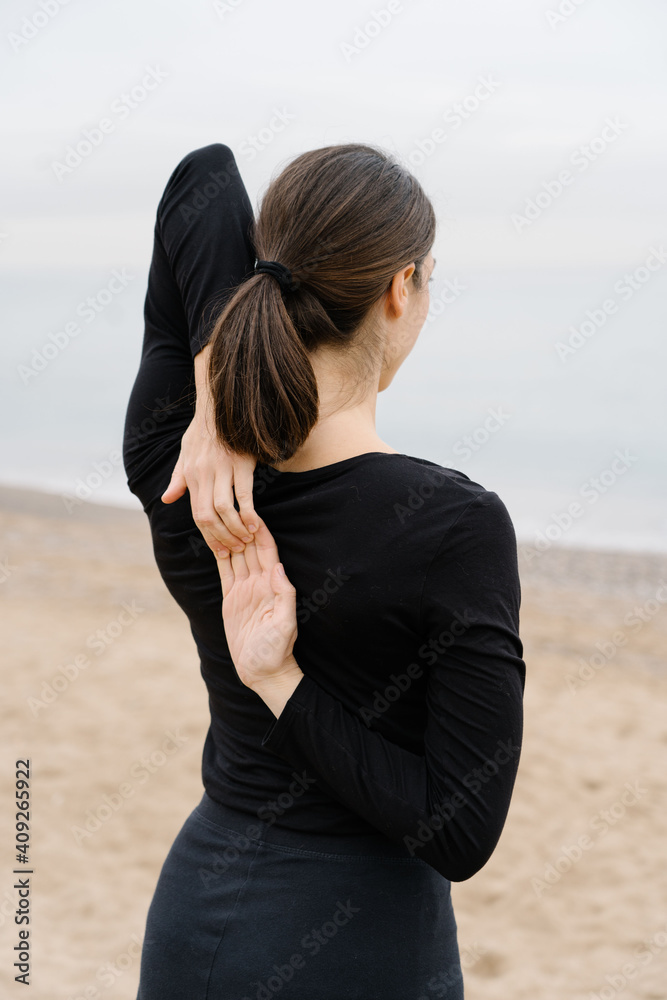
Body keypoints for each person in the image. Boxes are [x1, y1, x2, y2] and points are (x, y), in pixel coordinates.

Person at [122, 141, 526, 1000]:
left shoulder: (178, 472)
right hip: (359, 944)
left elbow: (203, 177)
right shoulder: (455, 526)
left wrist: (211, 407)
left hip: (197, 916)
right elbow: (457, 833)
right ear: (399, 288)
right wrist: (283, 684)